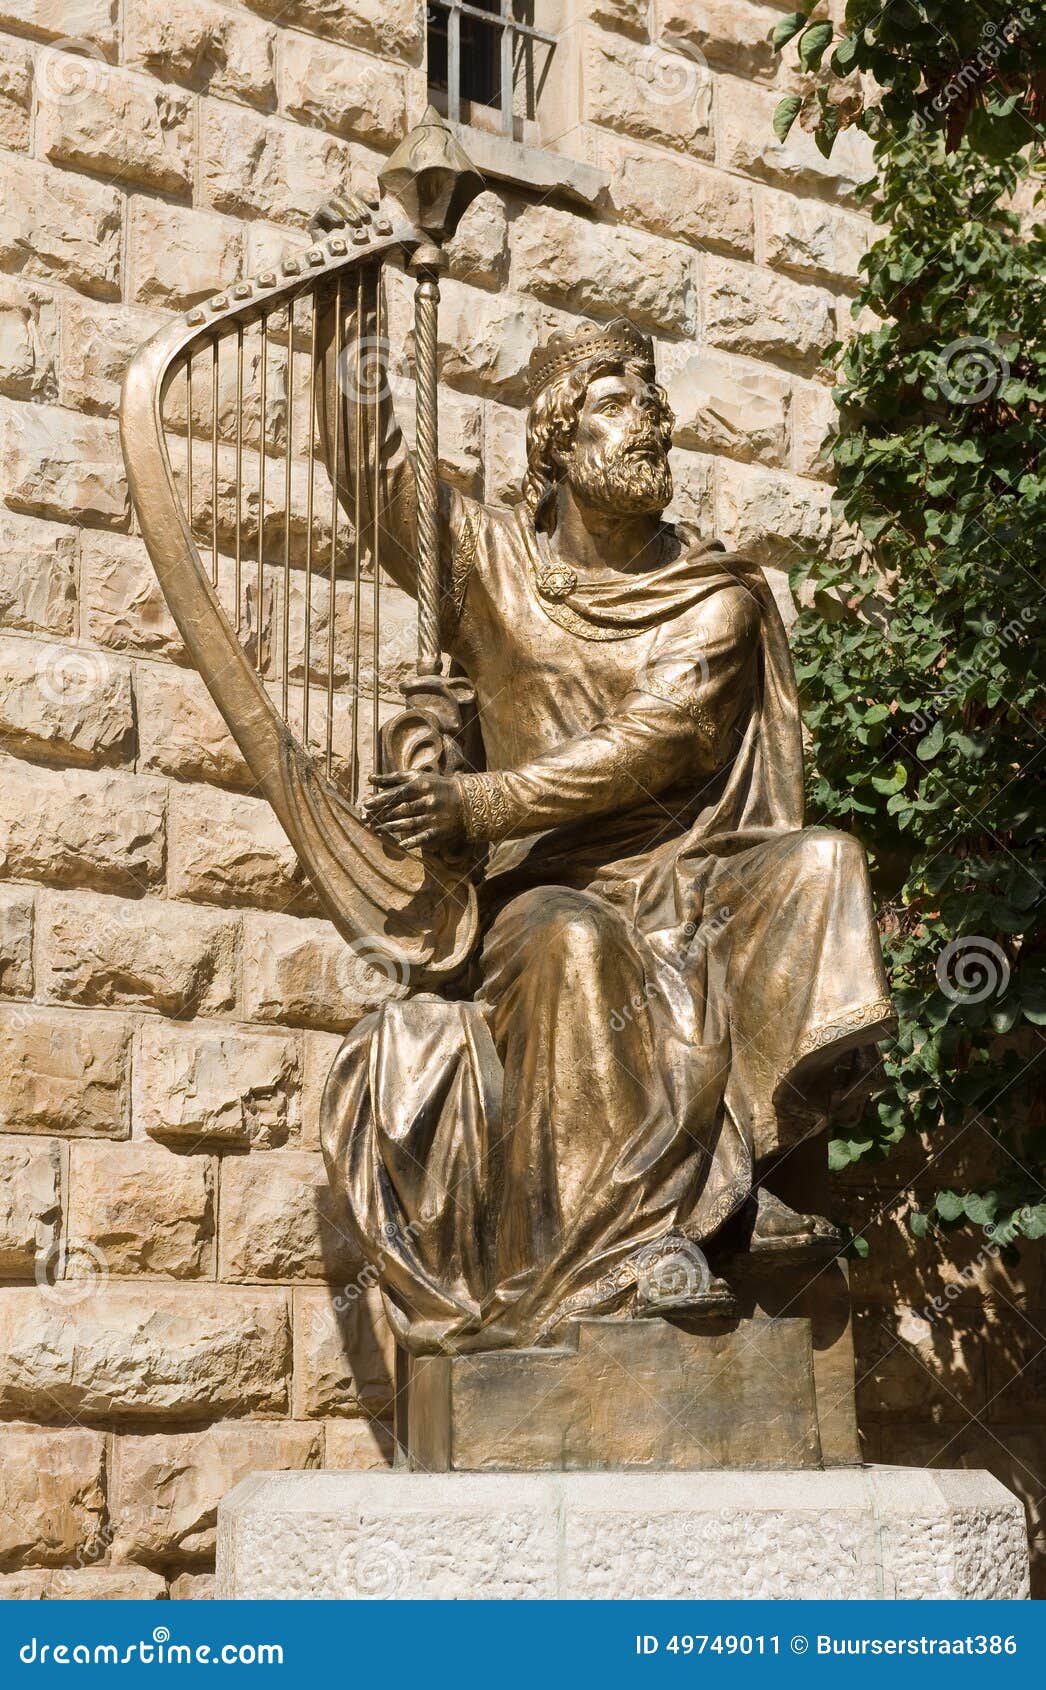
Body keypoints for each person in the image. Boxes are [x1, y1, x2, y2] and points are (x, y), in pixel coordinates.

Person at [317, 272, 894, 1355]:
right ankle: (612, 1259)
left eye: (652, 395)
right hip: (542, 894)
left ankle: (733, 1181)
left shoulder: (711, 591)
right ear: (555, 439)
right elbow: (371, 474)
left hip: (693, 881)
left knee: (823, 865)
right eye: (616, 399)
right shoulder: (488, 563)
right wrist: (345, 322)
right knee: (571, 940)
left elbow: (657, 743)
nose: (651, 419)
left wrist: (476, 798)